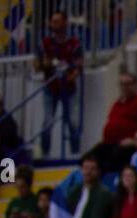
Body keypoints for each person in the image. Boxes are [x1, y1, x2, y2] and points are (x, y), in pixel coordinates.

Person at [36, 9, 83, 156]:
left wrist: (71, 75)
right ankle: (45, 154)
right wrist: (45, 64)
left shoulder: (74, 42)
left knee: (73, 122)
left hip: (69, 88)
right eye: (52, 22)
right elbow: (37, 64)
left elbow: (79, 65)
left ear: (65, 22)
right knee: (47, 122)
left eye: (58, 21)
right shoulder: (45, 43)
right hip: (50, 87)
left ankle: (75, 154)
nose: (54, 24)